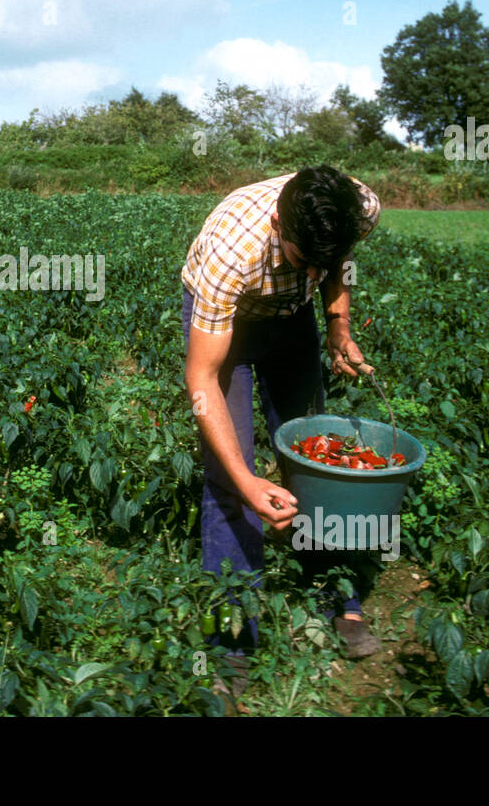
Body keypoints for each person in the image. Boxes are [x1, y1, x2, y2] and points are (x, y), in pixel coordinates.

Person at [181, 165, 383, 672]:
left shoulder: (360, 209)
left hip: (291, 317)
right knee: (230, 478)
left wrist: (338, 325)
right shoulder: (233, 253)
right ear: (277, 222)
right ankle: (229, 641)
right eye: (303, 258)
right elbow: (202, 382)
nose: (317, 271)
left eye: (325, 261)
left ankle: (333, 590)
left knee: (317, 457)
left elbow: (332, 265)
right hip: (231, 319)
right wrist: (248, 479)